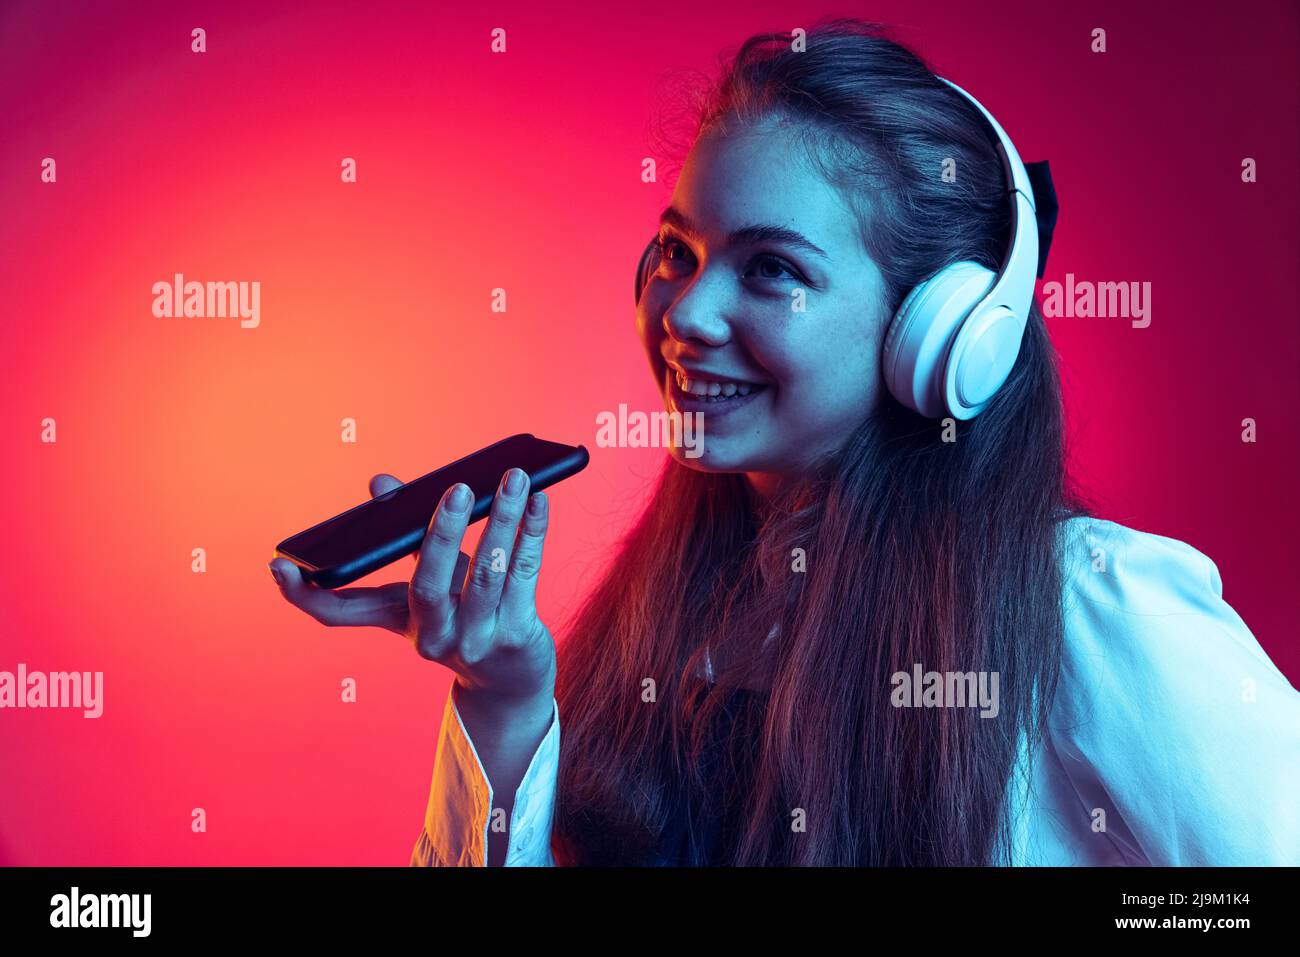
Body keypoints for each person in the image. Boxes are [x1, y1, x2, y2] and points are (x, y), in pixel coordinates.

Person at [268, 18, 1300, 866]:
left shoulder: (1090, 612)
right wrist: (502, 698)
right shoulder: (672, 613)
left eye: (771, 270)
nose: (686, 312)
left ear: (941, 337)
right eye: (679, 249)